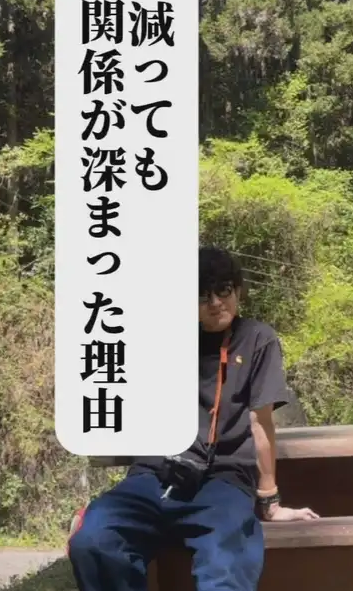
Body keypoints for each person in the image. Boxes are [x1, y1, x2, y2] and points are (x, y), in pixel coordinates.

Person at [68, 245, 319, 591]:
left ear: (238, 290)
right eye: (202, 296)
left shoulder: (257, 339)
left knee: (225, 562)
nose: (215, 303)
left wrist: (269, 501)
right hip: (154, 474)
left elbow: (260, 423)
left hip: (223, 477)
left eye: (223, 290)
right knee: (94, 541)